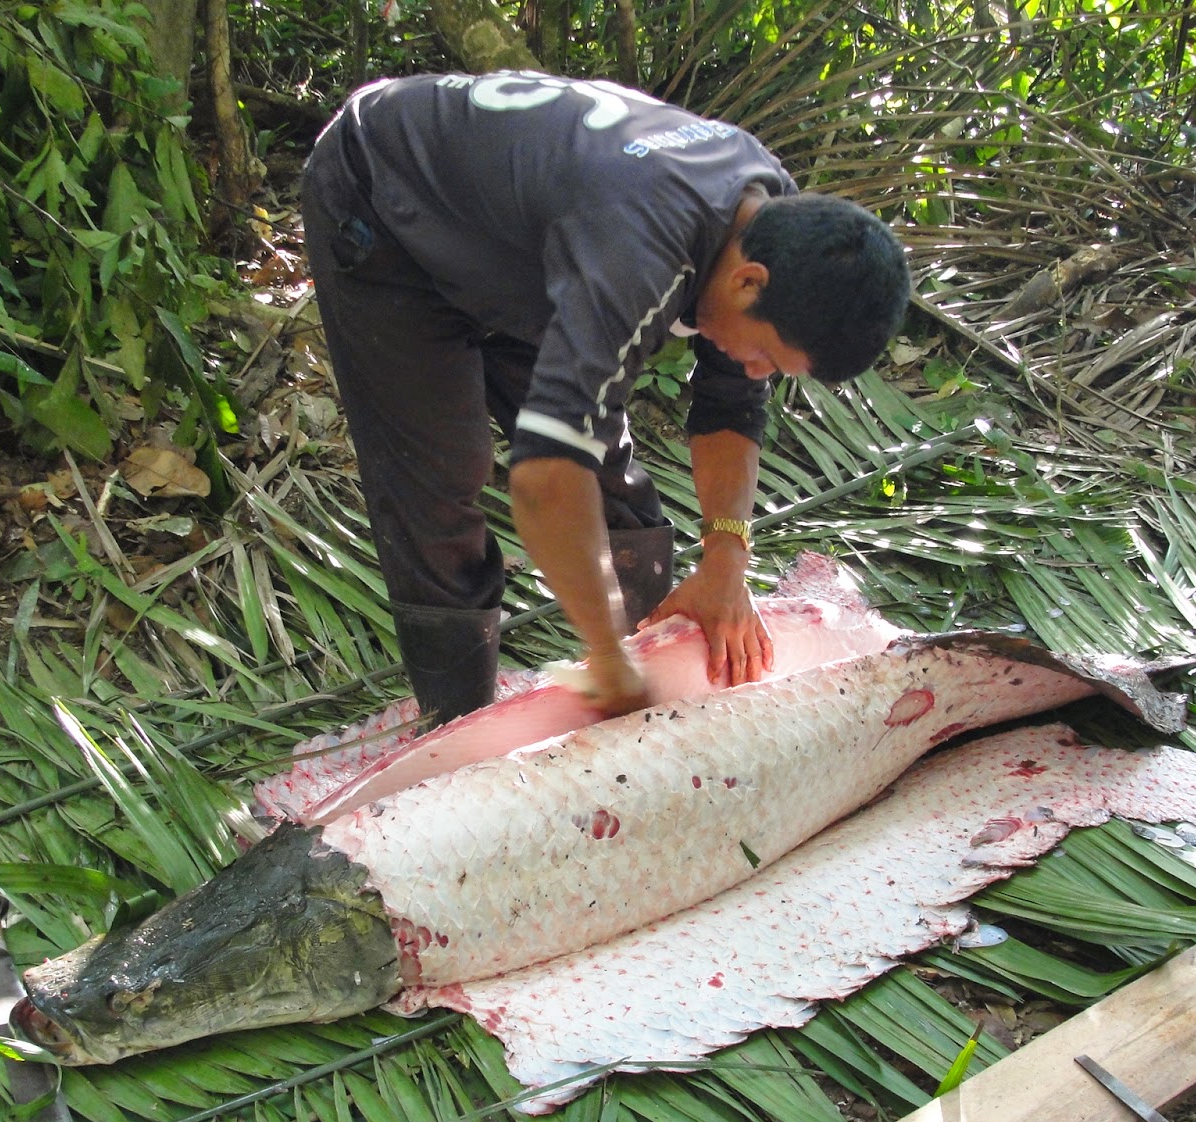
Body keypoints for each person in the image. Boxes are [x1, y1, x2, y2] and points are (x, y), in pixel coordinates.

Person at [301, 70, 909, 726]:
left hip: (520, 241)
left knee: (612, 481)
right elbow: (544, 481)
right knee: (441, 480)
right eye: (765, 353)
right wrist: (606, 666)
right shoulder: (639, 254)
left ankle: (650, 650)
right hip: (385, 201)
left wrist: (726, 557)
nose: (757, 369)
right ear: (747, 281)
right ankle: (459, 730)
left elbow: (732, 405)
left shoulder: (777, 223)